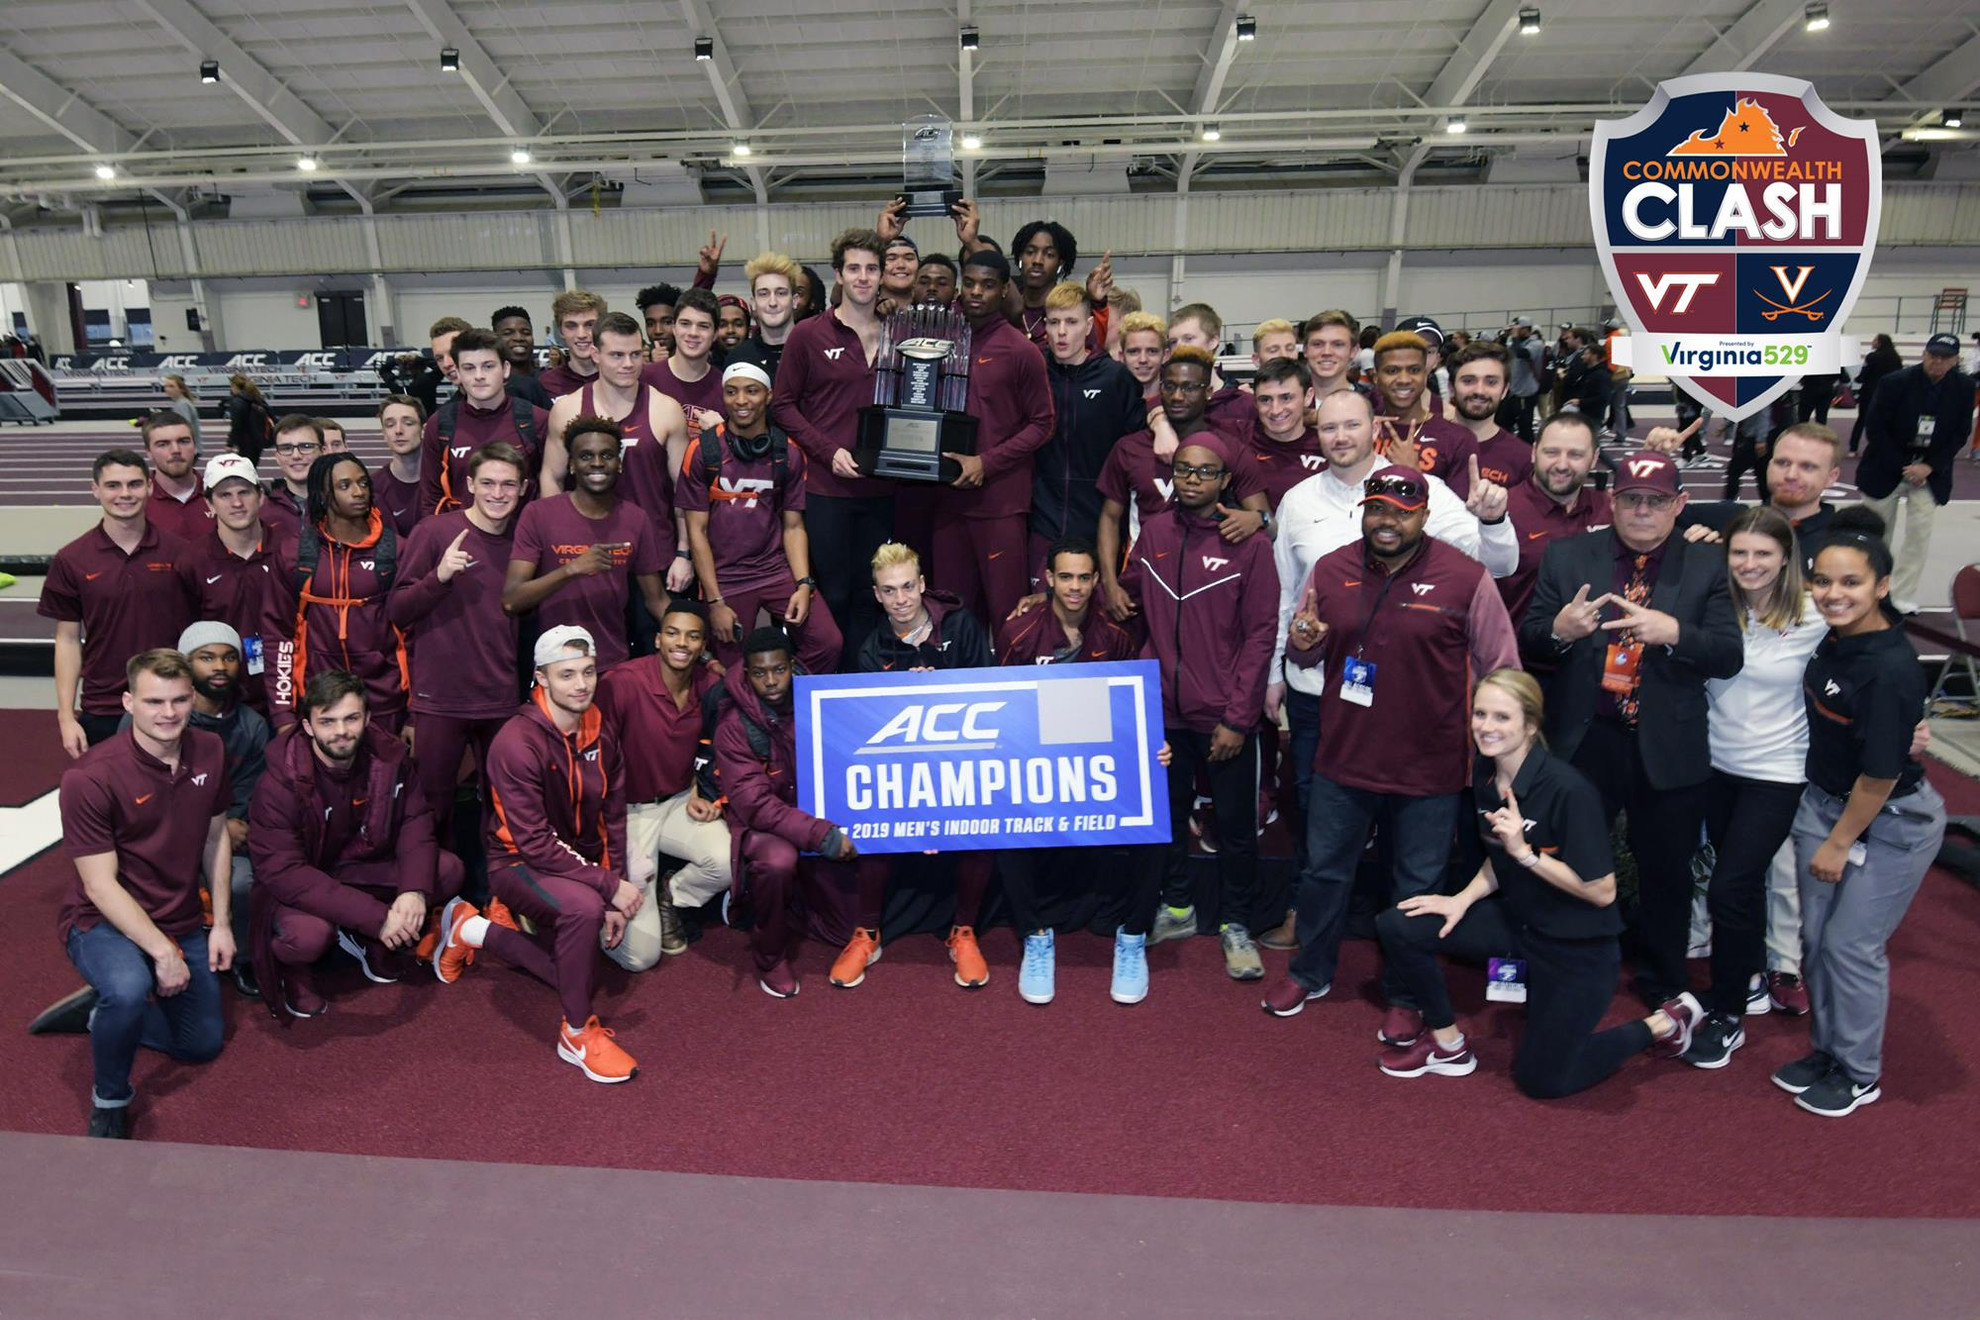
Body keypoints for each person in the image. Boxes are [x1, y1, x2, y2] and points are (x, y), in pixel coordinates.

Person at [1261, 465, 1521, 1023]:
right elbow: (1306, 651)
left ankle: (1406, 994)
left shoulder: (1466, 577)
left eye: (1402, 513)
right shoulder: (1331, 571)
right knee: (1325, 872)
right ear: (1364, 512)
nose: (1387, 522)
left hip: (1429, 765)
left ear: (1424, 517)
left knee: (1416, 885)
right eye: (1377, 509)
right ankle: (1311, 971)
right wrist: (1303, 647)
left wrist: (1503, 755)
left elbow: (1501, 667)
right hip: (1343, 756)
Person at [1370, 669, 1704, 1092]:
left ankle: (1663, 1024)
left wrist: (1525, 854)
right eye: (1480, 714)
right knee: (1398, 924)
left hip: (1577, 949)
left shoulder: (1569, 791)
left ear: (1530, 725)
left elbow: (1602, 892)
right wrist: (1461, 899)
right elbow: (1498, 857)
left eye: (1502, 718)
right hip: (1520, 928)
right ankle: (1447, 1044)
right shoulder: (1487, 776)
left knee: (1543, 1080)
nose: (1486, 727)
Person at [1519, 450, 1744, 1008]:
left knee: (1666, 871)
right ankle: (1566, 964)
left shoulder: (1708, 566)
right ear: (1612, 501)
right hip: (1586, 738)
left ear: (1679, 505)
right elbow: (1531, 638)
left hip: (1668, 743)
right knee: (1567, 860)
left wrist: (1674, 633)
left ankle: (1666, 981)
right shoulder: (1569, 555)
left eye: (1657, 501)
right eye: (1631, 499)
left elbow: (1728, 655)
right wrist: (1561, 631)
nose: (1642, 511)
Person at [1773, 513, 1947, 1116]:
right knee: (1818, 940)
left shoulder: (1890, 668)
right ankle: (1828, 1050)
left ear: (1882, 585)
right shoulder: (1835, 637)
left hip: (1890, 821)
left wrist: (1838, 843)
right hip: (1824, 805)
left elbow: (1881, 775)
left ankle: (1859, 1071)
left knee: (1850, 946)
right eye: (1822, 581)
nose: (1832, 594)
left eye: (1850, 583)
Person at [432, 626, 642, 1083]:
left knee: (609, 953)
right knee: (582, 918)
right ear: (541, 679)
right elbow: (535, 843)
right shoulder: (516, 741)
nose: (581, 684)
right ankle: (575, 1034)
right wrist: (607, 888)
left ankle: (473, 928)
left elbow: (613, 817)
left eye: (588, 672)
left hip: (575, 860)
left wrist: (614, 888)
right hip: (517, 861)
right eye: (566, 675)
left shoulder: (600, 730)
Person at [1117, 432, 1277, 978]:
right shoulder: (1155, 530)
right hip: (1162, 711)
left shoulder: (1248, 543)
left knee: (1234, 825)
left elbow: (1261, 635)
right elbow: (1128, 597)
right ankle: (1179, 906)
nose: (1192, 479)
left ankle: (1237, 923)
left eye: (1205, 472)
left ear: (1224, 480)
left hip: (1223, 716)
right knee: (1164, 820)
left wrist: (1239, 716)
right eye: (1183, 469)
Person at [56, 649, 232, 1138]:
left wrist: (220, 922)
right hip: (102, 921)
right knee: (130, 989)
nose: (169, 713)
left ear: (193, 697)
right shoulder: (89, 777)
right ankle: (110, 1096)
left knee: (202, 1044)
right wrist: (162, 952)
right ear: (129, 701)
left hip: (179, 915)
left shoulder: (211, 751)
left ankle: (99, 1014)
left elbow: (217, 837)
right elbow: (98, 884)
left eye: (179, 700)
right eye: (154, 701)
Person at [1680, 505, 1826, 1068]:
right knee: (1745, 886)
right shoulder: (1719, 607)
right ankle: (1753, 980)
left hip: (1778, 774)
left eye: (1763, 553)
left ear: (1786, 557)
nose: (1749, 563)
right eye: (1739, 552)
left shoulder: (1814, 614)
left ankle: (1728, 1013)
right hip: (1717, 767)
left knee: (1728, 889)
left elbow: (1871, 654)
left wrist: (1909, 718)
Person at [995, 539, 1157, 1005]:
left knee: (1155, 819)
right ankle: (1035, 935)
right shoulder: (1018, 633)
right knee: (1008, 829)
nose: (1075, 587)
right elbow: (1003, 708)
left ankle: (1133, 935)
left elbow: (1128, 710)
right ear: (1047, 578)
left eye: (1085, 578)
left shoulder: (1116, 632)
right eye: (1065, 577)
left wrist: (1151, 748)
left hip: (1098, 766)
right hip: (1036, 765)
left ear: (1096, 580)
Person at [248, 670, 464, 1017]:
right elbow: (285, 872)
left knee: (446, 871)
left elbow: (415, 820)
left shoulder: (390, 758)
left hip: (358, 865)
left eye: (351, 718)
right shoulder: (280, 782)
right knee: (308, 936)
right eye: (328, 721)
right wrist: (377, 918)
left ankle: (370, 941)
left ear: (366, 718)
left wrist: (412, 891)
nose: (341, 731)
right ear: (307, 726)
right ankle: (294, 972)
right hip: (302, 880)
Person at [838, 542, 996, 987]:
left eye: (908, 586)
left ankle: (963, 931)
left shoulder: (961, 627)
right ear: (877, 596)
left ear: (923, 585)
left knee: (984, 822)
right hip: (903, 773)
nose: (901, 598)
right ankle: (867, 932)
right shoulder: (871, 650)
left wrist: (941, 690)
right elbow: (868, 732)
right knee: (870, 821)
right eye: (890, 591)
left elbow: (991, 702)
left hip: (964, 764)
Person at [389, 441, 527, 853]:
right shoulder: (434, 533)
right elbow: (397, 609)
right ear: (469, 484)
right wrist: (440, 576)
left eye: (508, 484)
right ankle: (431, 897)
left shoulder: (524, 540)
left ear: (522, 489)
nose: (497, 494)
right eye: (487, 483)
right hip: (440, 700)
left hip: (501, 700)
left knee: (505, 807)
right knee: (432, 809)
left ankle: (497, 897)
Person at [707, 627, 861, 998]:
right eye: (760, 674)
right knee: (778, 861)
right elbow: (755, 806)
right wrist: (821, 835)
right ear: (746, 673)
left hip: (809, 811)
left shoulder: (816, 698)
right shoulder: (733, 725)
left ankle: (773, 901)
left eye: (779, 670)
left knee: (843, 932)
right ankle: (769, 954)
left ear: (792, 666)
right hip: (765, 823)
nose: (771, 681)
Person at [116, 623, 269, 992]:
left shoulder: (252, 725)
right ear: (186, 666)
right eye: (207, 658)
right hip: (155, 836)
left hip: (225, 835)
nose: (220, 666)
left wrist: (232, 823)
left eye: (229, 657)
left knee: (244, 883)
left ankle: (243, 958)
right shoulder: (148, 720)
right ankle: (136, 958)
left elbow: (250, 792)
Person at [678, 362, 842, 673]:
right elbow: (696, 532)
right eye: (731, 392)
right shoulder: (702, 451)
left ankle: (791, 704)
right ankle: (750, 716)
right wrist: (714, 602)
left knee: (827, 642)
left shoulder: (787, 453)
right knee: (733, 668)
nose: (741, 401)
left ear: (768, 396)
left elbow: (793, 526)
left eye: (751, 391)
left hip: (775, 570)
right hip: (725, 578)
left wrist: (804, 584)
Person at [771, 227, 890, 647]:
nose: (863, 277)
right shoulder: (807, 335)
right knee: (833, 595)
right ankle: (827, 683)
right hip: (826, 490)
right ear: (838, 274)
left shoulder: (898, 335)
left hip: (885, 489)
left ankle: (864, 682)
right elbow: (782, 404)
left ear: (882, 276)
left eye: (872, 269)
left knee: (872, 596)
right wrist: (827, 451)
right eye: (854, 268)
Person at [594, 602, 729, 969]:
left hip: (679, 801)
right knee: (640, 957)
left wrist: (701, 790)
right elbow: (594, 765)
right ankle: (583, 910)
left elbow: (714, 748)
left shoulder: (709, 685)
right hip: (628, 813)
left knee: (727, 862)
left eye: (692, 635)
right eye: (672, 633)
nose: (681, 642)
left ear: (703, 646)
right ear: (657, 639)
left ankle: (671, 892)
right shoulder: (620, 683)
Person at [41, 449, 198, 755]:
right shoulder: (71, 559)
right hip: (104, 705)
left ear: (150, 487)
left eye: (134, 484)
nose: (125, 494)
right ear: (95, 490)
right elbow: (68, 639)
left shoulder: (181, 553)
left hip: (172, 699)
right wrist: (65, 716)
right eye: (113, 485)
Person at [1094, 348, 1269, 622]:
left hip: (1209, 581)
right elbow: (1109, 517)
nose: (1177, 396)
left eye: (1189, 388)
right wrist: (1110, 583)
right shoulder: (1130, 448)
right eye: (1170, 386)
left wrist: (1258, 519)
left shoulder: (1230, 449)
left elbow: (1265, 521)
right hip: (1143, 579)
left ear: (1209, 392)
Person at [934, 249, 1056, 623]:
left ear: (1004, 290)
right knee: (952, 615)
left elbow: (1043, 423)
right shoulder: (939, 341)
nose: (976, 292)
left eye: (987, 285)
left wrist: (987, 463)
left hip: (999, 504)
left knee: (1007, 615)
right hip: (944, 499)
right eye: (969, 283)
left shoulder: (1022, 351)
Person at [541, 311, 694, 607]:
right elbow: (551, 477)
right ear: (596, 354)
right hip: (587, 552)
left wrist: (684, 553)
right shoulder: (568, 410)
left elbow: (684, 488)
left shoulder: (666, 409)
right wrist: (560, 544)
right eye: (617, 355)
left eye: (636, 354)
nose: (628, 364)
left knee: (657, 646)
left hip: (654, 552)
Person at [505, 415, 670, 672]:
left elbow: (656, 600)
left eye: (606, 455)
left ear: (619, 464)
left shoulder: (636, 519)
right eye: (585, 456)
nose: (596, 463)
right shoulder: (538, 514)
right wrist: (572, 568)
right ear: (571, 465)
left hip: (612, 662)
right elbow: (512, 600)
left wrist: (696, 642)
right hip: (553, 665)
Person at [261, 452, 410, 735]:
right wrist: (282, 712)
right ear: (322, 494)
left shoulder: (398, 551)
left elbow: (415, 636)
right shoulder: (294, 554)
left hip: (386, 701)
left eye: (363, 483)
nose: (358, 492)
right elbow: (278, 635)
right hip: (319, 701)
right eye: (345, 486)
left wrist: (415, 715)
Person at [1032, 281, 1145, 578]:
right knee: (1042, 605)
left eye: (1071, 322)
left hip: (1099, 520)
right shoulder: (1034, 371)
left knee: (1097, 615)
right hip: (1042, 519)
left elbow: (1136, 444)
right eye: (1054, 322)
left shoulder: (1115, 378)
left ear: (1089, 325)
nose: (1061, 332)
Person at [1856, 332, 1973, 614]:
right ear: (1923, 355)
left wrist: (1928, 467)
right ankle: (1870, 594)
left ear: (1955, 360)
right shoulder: (1895, 383)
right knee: (1875, 535)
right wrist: (1903, 467)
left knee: (1919, 535)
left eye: (1945, 358)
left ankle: (1902, 596)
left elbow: (1960, 433)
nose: (1937, 361)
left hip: (1929, 471)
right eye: (1933, 355)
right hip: (1886, 466)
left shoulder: (1964, 387)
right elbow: (1875, 428)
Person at [182, 453, 276, 716]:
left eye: (244, 492)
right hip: (221, 700)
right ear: (209, 503)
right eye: (224, 495)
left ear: (261, 497)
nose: (237, 503)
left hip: (286, 694)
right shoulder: (191, 562)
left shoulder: (291, 552)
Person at [1499, 412, 1612, 628]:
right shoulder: (1501, 513)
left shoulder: (1609, 508)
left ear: (1594, 458)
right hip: (1520, 656)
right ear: (1533, 452)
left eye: (1575, 455)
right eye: (1551, 452)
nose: (1562, 465)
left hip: (1594, 657)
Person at [419, 327, 546, 518]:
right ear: (458, 373)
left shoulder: (537, 421)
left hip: (523, 540)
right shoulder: (440, 424)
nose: (479, 375)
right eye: (469, 368)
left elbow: (552, 488)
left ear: (505, 369)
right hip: (462, 540)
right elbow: (430, 498)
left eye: (488, 366)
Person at [1369, 330, 1478, 489]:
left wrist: (1414, 474)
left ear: (1425, 375)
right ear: (1376, 378)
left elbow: (1458, 511)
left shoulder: (1458, 439)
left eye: (1414, 370)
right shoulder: (1360, 431)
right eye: (1392, 371)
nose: (1404, 380)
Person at [1233, 357, 1328, 511]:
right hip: (1259, 534)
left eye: (1286, 398)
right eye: (1265, 400)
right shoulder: (1238, 438)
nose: (1275, 410)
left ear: (1308, 396)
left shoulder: (1328, 446)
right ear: (1255, 402)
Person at [1445, 341, 1534, 491]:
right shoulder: (1426, 442)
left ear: (1505, 390)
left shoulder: (1523, 458)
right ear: (1451, 387)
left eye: (1491, 382)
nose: (1479, 390)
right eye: (1468, 381)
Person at [645, 287, 725, 418]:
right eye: (685, 324)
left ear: (715, 334)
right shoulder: (645, 378)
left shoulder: (723, 388)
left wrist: (719, 433)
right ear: (674, 328)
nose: (693, 333)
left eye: (703, 326)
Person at [726, 251, 801, 382]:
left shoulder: (815, 352)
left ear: (794, 300)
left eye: (781, 293)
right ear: (753, 303)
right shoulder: (738, 359)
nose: (772, 302)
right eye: (763, 294)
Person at [140, 411, 210, 544]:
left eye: (183, 441)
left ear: (195, 446)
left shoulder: (219, 493)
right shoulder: (138, 502)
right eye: (163, 444)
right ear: (148, 452)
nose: (175, 450)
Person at [536, 290, 608, 399]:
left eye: (589, 325)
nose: (581, 334)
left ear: (602, 327)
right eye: (571, 326)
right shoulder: (546, 384)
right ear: (561, 331)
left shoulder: (622, 378)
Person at [260, 414, 322, 539]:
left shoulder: (343, 506)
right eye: (286, 448)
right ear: (276, 456)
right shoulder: (262, 512)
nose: (296, 455)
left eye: (306, 446)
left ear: (323, 451)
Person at [373, 394, 425, 538]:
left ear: (423, 430)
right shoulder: (374, 487)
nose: (398, 430)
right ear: (384, 434)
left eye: (408, 423)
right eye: (390, 425)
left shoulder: (444, 480)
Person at [1846, 334, 1903, 457]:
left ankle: (1853, 448)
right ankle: (1883, 448)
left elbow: (1864, 375)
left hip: (1870, 392)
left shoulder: (1872, 357)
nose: (1872, 342)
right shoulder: (1896, 358)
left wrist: (1857, 379)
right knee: (1887, 422)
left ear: (1880, 342)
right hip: (1890, 394)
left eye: (1875, 340)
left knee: (1862, 420)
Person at [1300, 310, 1362, 403]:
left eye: (1338, 344)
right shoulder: (1288, 404)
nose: (1327, 352)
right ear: (1305, 349)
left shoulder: (1374, 403)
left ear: (1353, 351)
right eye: (1317, 344)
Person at [1502, 316, 1547, 442]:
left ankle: (1528, 454)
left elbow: (1523, 354)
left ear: (1526, 329)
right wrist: (1505, 336)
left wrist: (1515, 337)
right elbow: (1501, 352)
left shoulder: (1536, 344)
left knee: (1525, 426)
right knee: (1502, 422)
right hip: (1513, 391)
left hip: (1526, 392)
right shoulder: (1516, 344)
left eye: (1518, 329)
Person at [1116, 311, 1167, 407]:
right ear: (1121, 357)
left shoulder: (1176, 404)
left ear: (1165, 356)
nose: (1143, 359)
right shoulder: (1109, 402)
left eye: (1152, 351)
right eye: (1134, 351)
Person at [223, 374, 271, 464]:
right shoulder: (256, 398)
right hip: (258, 439)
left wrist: (230, 443)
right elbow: (270, 413)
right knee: (252, 466)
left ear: (234, 386)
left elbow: (237, 425)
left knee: (244, 468)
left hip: (245, 441)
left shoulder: (238, 402)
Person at [637, 282, 684, 358]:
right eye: (650, 324)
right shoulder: (641, 359)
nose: (658, 331)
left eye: (667, 322)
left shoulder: (698, 358)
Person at [161, 373, 202, 452]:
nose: (167, 389)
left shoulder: (182, 404)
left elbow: (183, 427)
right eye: (166, 386)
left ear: (181, 389)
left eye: (171, 386)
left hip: (187, 448)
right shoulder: (180, 403)